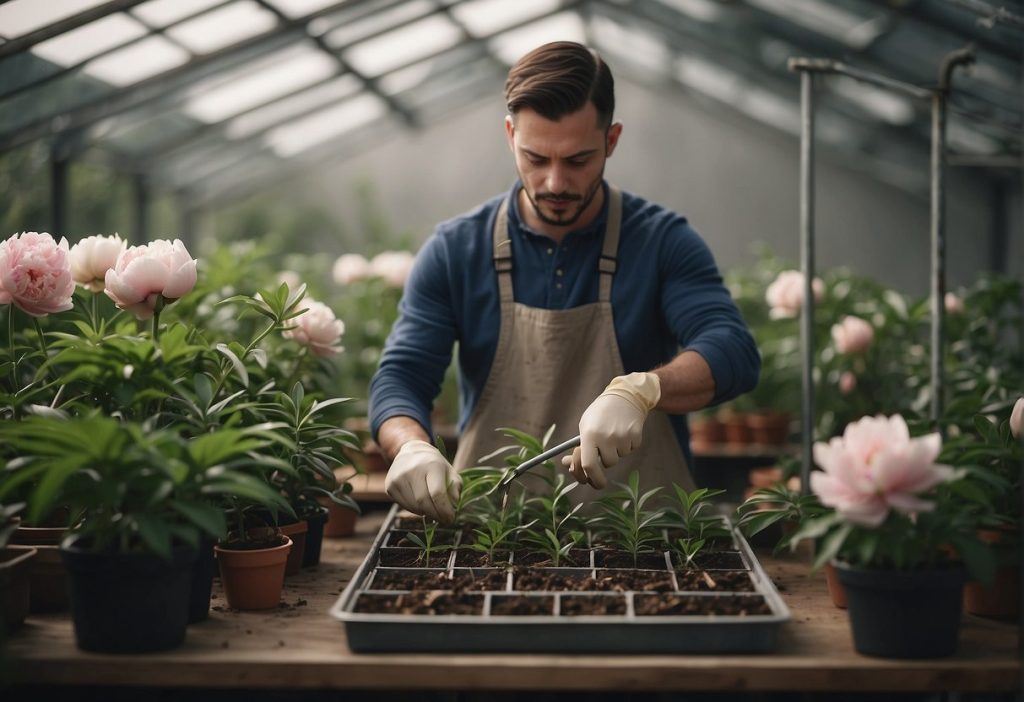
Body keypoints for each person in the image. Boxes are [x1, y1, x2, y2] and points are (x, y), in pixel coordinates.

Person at [368, 41, 760, 523]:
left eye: (577, 161)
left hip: (642, 537)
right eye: (536, 157)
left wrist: (642, 389)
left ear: (611, 141)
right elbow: (401, 376)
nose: (555, 182)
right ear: (510, 135)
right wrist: (409, 445)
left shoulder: (661, 241)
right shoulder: (456, 250)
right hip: (493, 535)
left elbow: (732, 348)